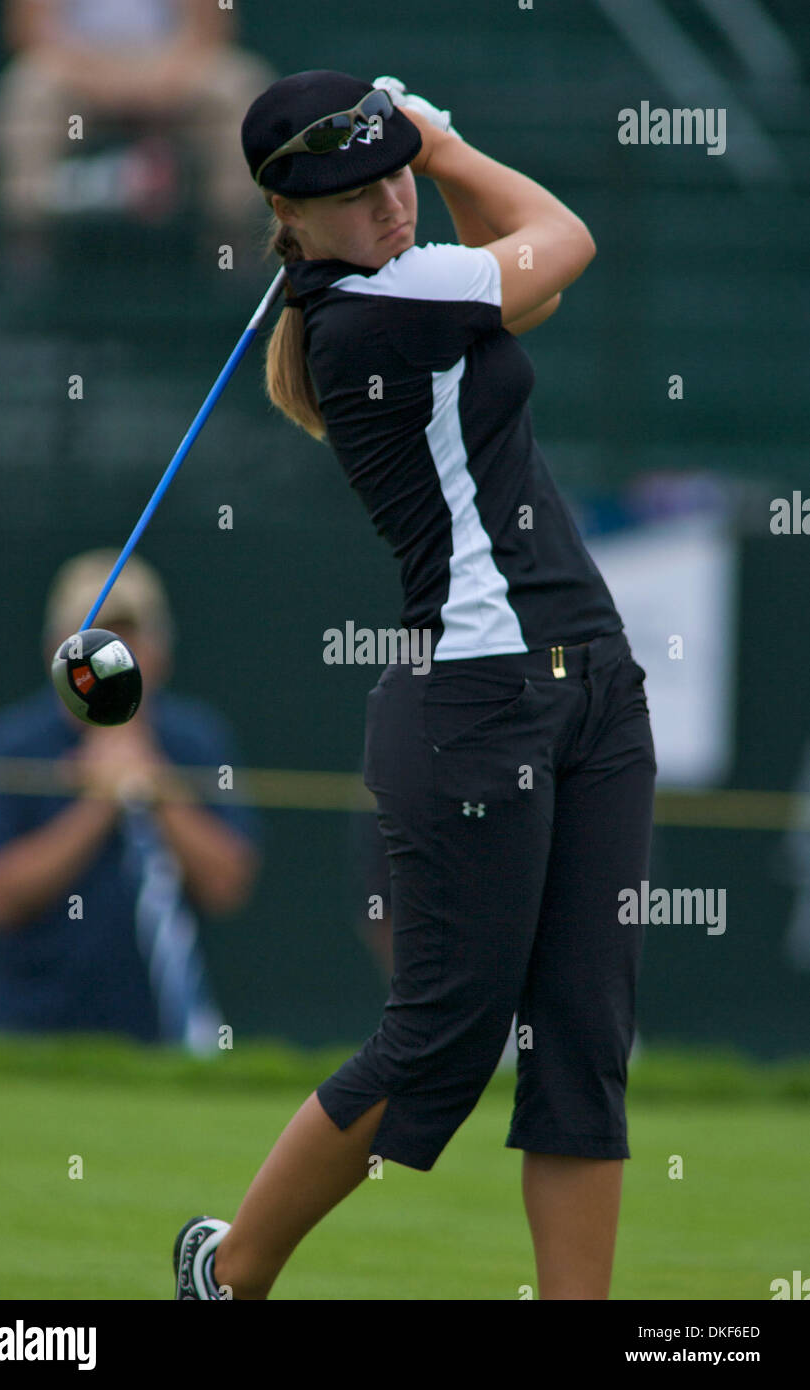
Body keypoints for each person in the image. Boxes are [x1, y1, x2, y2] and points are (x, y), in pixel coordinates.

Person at [173, 70, 656, 1301]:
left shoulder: (416, 290)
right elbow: (562, 241)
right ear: (290, 212)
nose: (389, 199)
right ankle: (229, 1272)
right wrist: (441, 145)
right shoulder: (366, 311)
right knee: (442, 1032)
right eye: (356, 187)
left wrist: (420, 158)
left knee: (584, 1040)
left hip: (592, 678)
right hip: (478, 704)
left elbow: (522, 267)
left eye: (392, 172)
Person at [0, 550, 261, 1053]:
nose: (111, 655)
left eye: (129, 636)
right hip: (23, 1033)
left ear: (159, 650)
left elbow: (228, 883)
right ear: (57, 649)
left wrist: (153, 786)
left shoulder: (196, 740)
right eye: (93, 637)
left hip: (165, 1038)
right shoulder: (12, 742)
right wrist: (101, 802)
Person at [0, 0, 276, 271]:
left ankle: (232, 247)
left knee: (236, 86)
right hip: (73, 77)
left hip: (177, 77)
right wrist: (110, 84)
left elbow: (211, 31)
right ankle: (28, 248)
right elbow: (30, 34)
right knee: (29, 91)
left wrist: (157, 83)